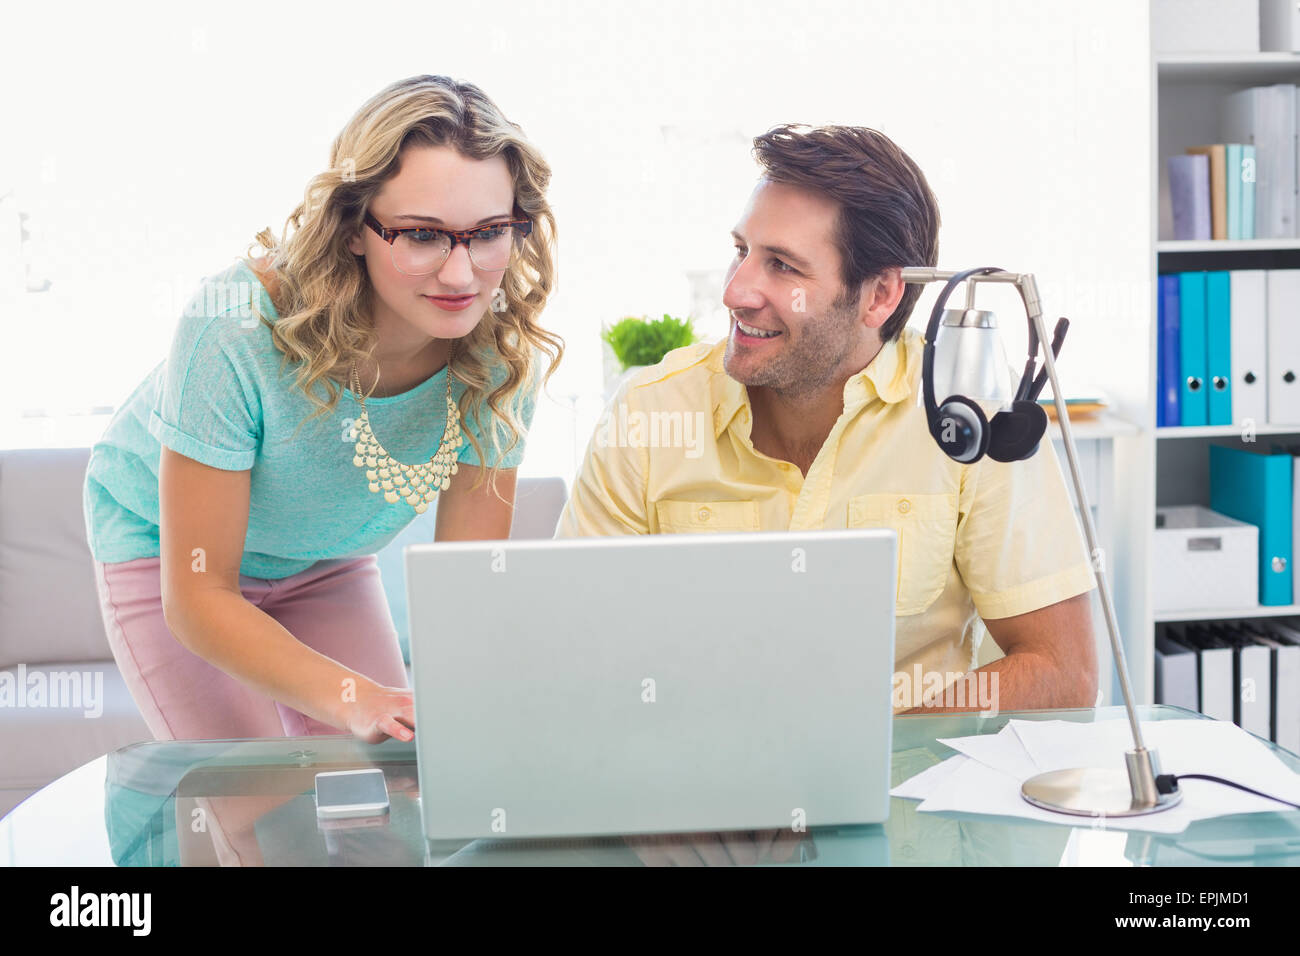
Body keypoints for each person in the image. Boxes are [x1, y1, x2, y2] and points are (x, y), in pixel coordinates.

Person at [83, 75, 562, 747]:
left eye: (488, 233)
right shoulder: (233, 327)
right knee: (253, 818)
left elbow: (465, 589)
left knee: (381, 802)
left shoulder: (502, 357)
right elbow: (199, 597)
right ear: (352, 228)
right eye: (422, 235)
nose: (461, 276)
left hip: (325, 563)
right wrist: (356, 700)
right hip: (169, 557)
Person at [556, 123, 1098, 714]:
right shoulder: (649, 411)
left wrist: (863, 744)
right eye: (743, 252)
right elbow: (577, 649)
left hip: (906, 789)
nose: (737, 292)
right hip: (700, 787)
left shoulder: (968, 428)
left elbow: (1062, 671)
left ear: (880, 296)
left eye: (783, 266)